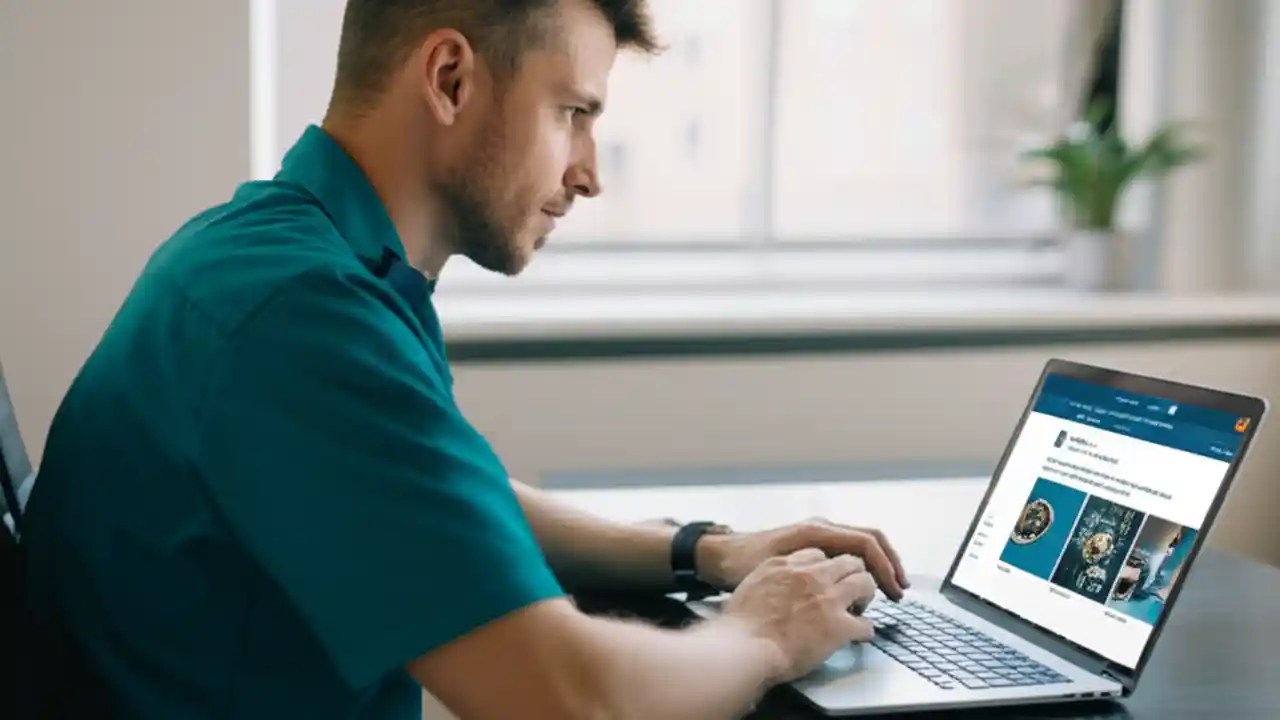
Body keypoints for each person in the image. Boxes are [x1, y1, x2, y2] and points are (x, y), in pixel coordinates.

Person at [20, 1, 911, 718]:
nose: (590, 172)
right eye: (573, 115)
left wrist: (703, 551)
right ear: (449, 79)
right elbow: (569, 697)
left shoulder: (278, 252)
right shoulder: (302, 318)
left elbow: (439, 498)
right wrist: (759, 637)